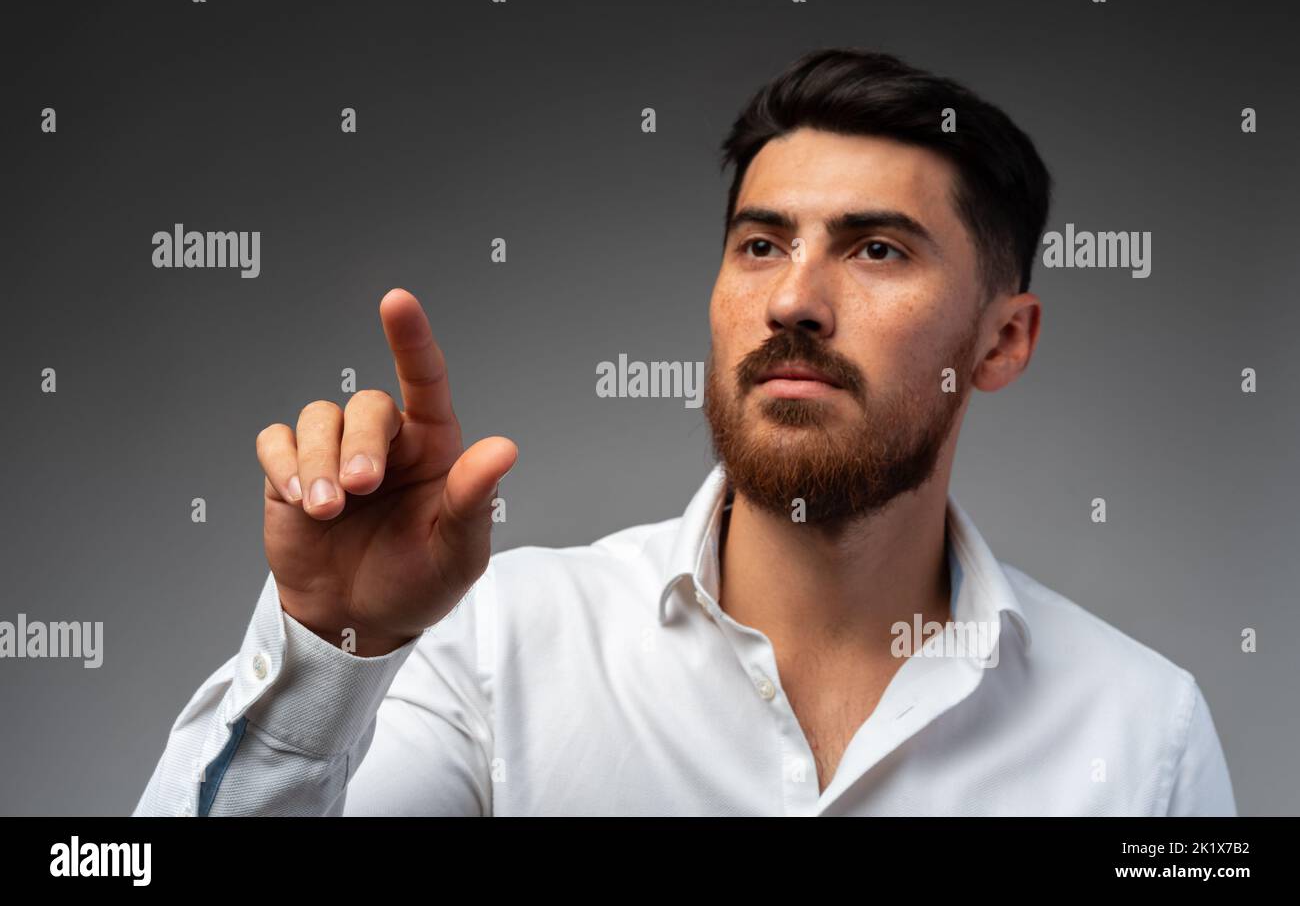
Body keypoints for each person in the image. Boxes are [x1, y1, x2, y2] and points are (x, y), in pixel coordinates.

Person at [134, 49, 1235, 815]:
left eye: (876, 249)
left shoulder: (1139, 727)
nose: (794, 300)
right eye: (760, 244)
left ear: (1002, 339)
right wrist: (329, 646)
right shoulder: (494, 646)